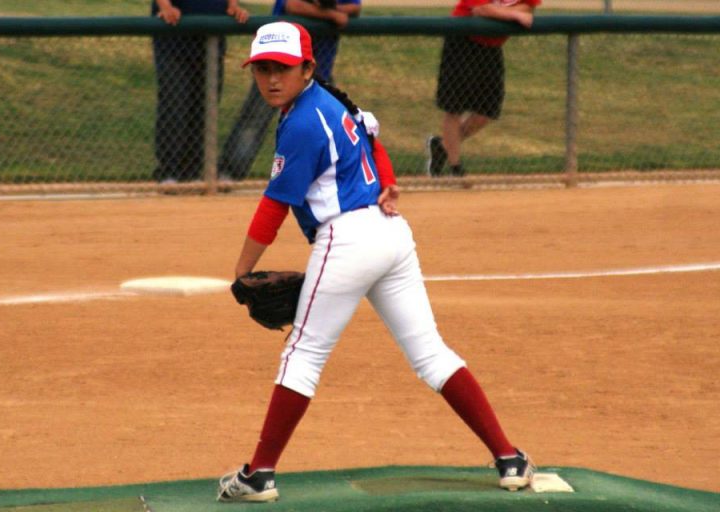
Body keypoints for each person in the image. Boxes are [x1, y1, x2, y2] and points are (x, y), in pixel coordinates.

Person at [217, 21, 535, 503]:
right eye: (262, 69)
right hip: (392, 237)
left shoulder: (300, 124)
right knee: (430, 354)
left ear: (307, 68)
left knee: (302, 356)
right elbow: (372, 140)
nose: (271, 79)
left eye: (281, 68)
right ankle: (509, 458)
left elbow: (274, 206)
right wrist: (387, 182)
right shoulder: (332, 100)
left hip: (347, 241)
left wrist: (242, 271)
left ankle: (259, 474)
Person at [217, 0, 361, 181]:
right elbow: (292, 5)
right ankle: (228, 174)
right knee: (254, 121)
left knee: (331, 124)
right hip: (277, 64)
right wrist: (331, 14)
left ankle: (333, 174)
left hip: (319, 68)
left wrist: (329, 8)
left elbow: (355, 6)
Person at [427, 0, 540, 177]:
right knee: (454, 107)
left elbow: (528, 8)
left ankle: (442, 146)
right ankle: (455, 167)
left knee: (488, 111)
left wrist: (497, 11)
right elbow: (480, 9)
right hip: (462, 40)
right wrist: (513, 14)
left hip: (492, 46)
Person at [151, 0, 249, 183]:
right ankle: (169, 172)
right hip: (174, 33)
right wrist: (165, 6)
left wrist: (233, 5)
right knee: (175, 102)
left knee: (206, 105)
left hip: (211, 31)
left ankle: (196, 170)